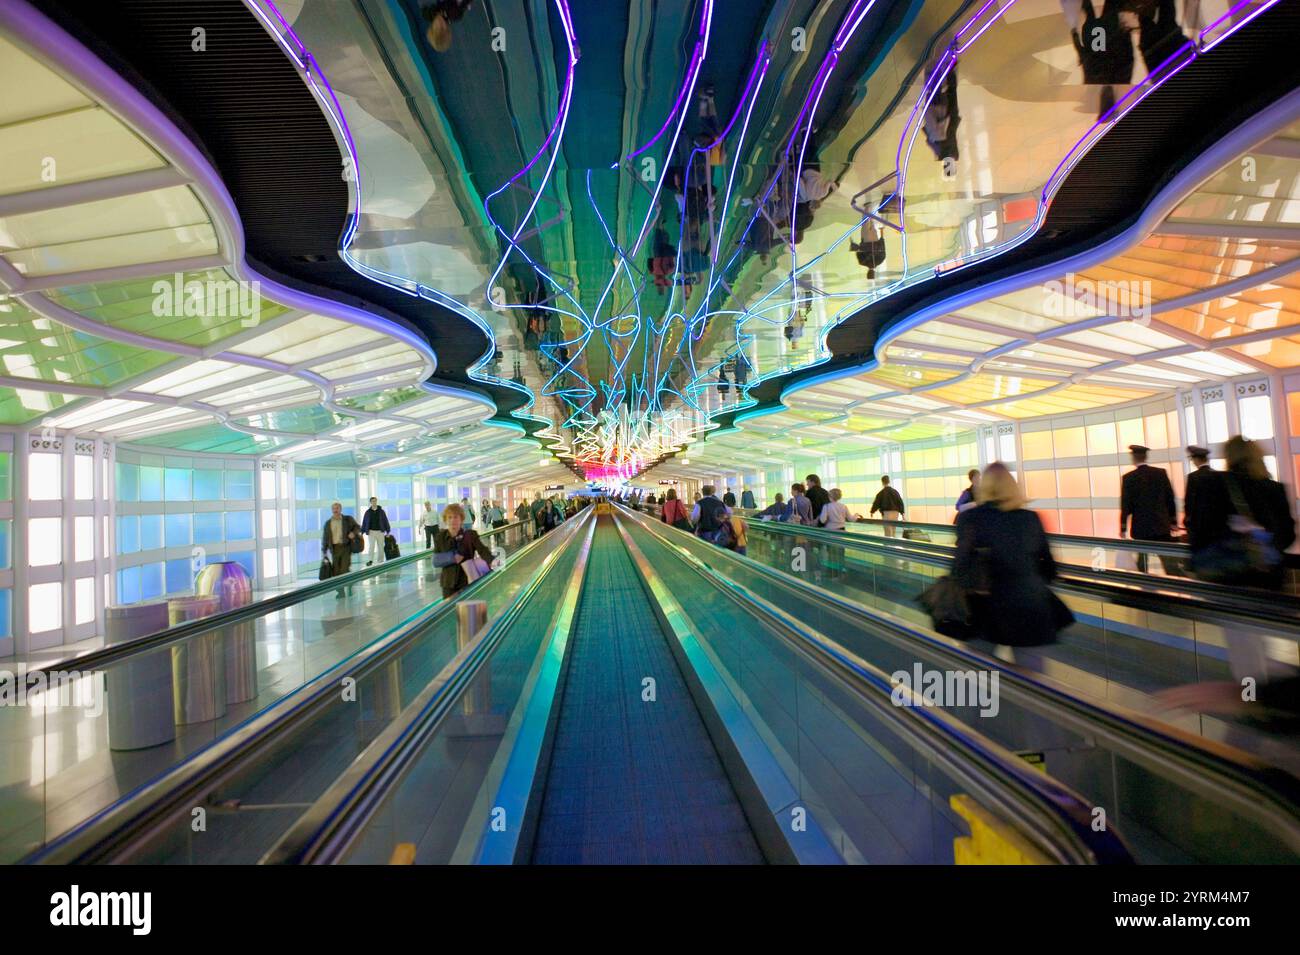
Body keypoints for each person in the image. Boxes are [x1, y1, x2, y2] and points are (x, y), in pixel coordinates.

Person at [952, 463, 1069, 650]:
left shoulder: (971, 519)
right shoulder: (1030, 519)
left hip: (986, 608)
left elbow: (959, 567)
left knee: (980, 671)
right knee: (1028, 676)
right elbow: (1049, 566)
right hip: (1029, 605)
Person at [1186, 436, 1295, 587]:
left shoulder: (1213, 484)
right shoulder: (1275, 489)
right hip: (1267, 576)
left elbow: (1201, 529)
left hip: (1226, 575)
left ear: (1229, 456)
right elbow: (1287, 535)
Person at [1119, 444, 1176, 572]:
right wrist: (1173, 521)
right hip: (1161, 525)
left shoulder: (1129, 478)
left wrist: (1123, 527)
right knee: (1169, 562)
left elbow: (1126, 505)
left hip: (1141, 528)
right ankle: (1177, 587)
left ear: (1134, 458)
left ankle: (1144, 587)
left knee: (1142, 562)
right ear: (1145, 457)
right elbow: (1169, 498)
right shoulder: (1161, 474)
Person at [431, 502, 495, 599]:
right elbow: (435, 560)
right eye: (450, 517)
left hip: (467, 580)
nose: (453, 520)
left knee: (469, 612)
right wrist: (452, 558)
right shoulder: (440, 537)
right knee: (451, 612)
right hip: (448, 584)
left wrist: (492, 561)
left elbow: (483, 551)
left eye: (456, 517)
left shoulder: (470, 535)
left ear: (461, 519)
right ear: (445, 520)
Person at [320, 501, 361, 597]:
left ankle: (349, 585)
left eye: (337, 508)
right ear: (331, 510)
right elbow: (325, 537)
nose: (335, 510)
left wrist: (353, 533)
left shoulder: (347, 519)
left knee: (344, 569)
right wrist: (324, 551)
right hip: (334, 549)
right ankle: (340, 591)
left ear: (340, 509)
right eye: (333, 509)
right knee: (336, 571)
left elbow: (357, 527)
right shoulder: (328, 523)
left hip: (345, 547)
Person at [1181, 445, 1214, 543]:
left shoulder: (1193, 477)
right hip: (1214, 523)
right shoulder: (1217, 475)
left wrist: (1187, 521)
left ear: (1196, 459)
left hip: (1198, 523)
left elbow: (1189, 502)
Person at [361, 496, 391, 566]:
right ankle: (370, 560)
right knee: (371, 546)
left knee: (380, 546)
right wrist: (362, 531)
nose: (374, 502)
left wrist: (388, 531)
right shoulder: (368, 512)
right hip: (371, 532)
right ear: (370, 502)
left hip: (380, 532)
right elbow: (364, 522)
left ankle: (380, 561)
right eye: (372, 501)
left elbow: (385, 521)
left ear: (376, 502)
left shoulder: (381, 511)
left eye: (375, 501)